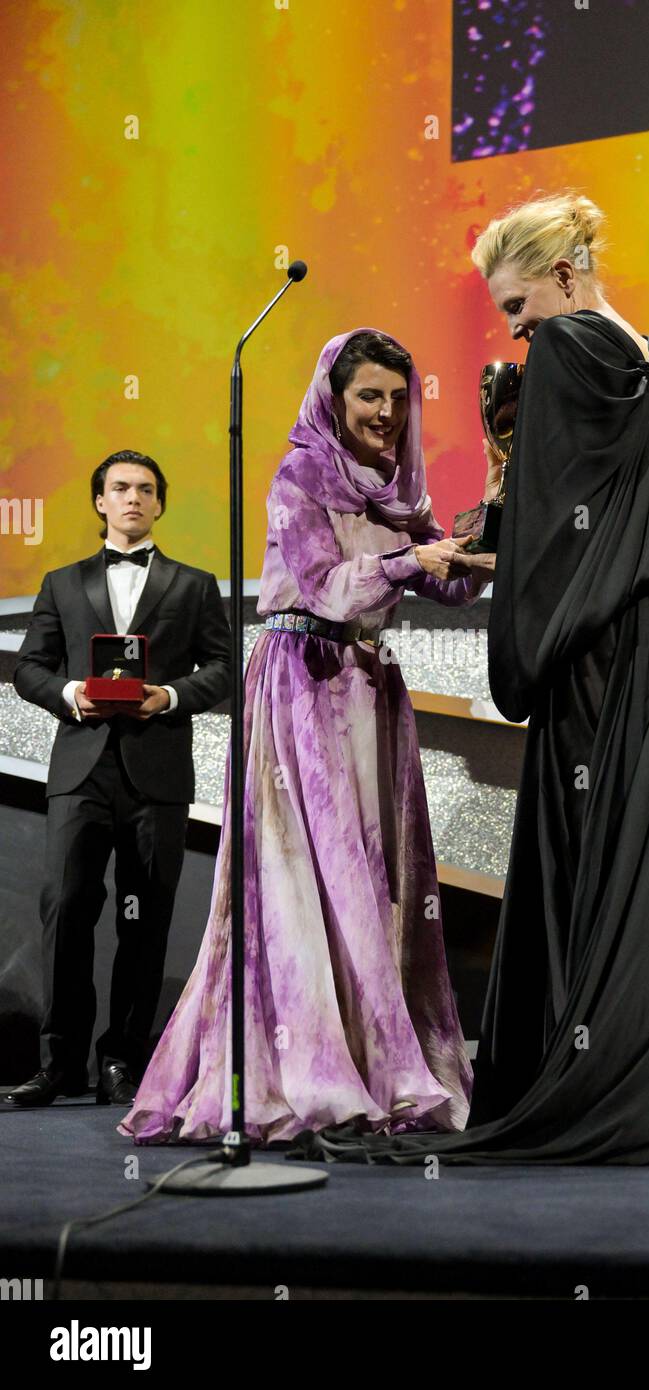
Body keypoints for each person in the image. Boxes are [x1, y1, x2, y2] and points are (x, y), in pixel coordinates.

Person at [284, 192, 649, 1166]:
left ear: (564, 275)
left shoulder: (570, 348)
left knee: (598, 855)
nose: (512, 325)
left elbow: (554, 520)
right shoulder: (641, 350)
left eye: (514, 301)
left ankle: (608, 1084)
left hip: (603, 653)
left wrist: (498, 568)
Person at [117, 328, 494, 1145]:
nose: (387, 412)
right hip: (301, 681)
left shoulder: (397, 493)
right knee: (305, 878)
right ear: (334, 396)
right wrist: (412, 560)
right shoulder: (300, 475)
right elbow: (324, 586)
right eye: (370, 396)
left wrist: (476, 541)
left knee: (375, 877)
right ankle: (311, 1068)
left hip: (369, 689)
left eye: (399, 398)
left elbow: (449, 586)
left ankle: (377, 1057)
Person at [5, 450, 231, 1108]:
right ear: (100, 501)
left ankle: (124, 1061)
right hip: (80, 768)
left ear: (160, 504)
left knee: (146, 918)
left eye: (145, 489)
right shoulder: (62, 582)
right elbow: (28, 669)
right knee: (68, 908)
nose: (133, 498)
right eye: (120, 488)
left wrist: (170, 696)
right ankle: (59, 1063)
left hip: (156, 772)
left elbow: (223, 669)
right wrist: (72, 691)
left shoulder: (194, 585)